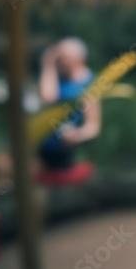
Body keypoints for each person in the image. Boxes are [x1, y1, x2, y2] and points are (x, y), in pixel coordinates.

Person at [36, 37, 100, 184]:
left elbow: (93, 127)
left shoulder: (90, 84)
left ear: (78, 57)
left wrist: (76, 136)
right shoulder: (57, 79)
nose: (59, 59)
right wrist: (47, 65)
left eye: (63, 55)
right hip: (43, 151)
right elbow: (48, 98)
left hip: (69, 156)